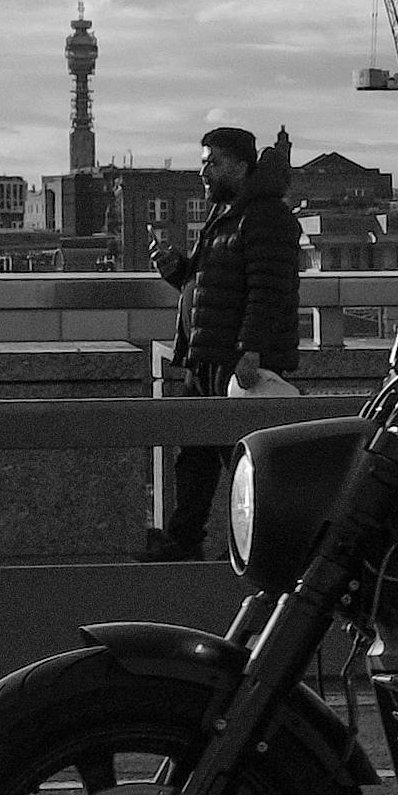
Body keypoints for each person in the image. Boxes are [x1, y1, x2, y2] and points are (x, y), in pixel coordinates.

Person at [144, 124, 301, 559]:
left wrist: (251, 351)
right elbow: (207, 283)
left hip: (236, 360)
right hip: (206, 355)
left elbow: (268, 290)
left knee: (240, 461)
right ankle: (183, 540)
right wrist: (174, 267)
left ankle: (255, 547)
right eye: (203, 162)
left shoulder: (266, 215)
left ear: (239, 164)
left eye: (212, 162)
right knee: (193, 454)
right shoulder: (225, 212)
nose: (204, 172)